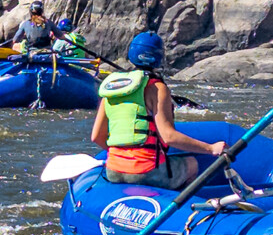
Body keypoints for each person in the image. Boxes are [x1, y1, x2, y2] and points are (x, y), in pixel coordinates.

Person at [90, 32, 226, 190]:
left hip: (113, 171)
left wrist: (125, 158)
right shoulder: (157, 88)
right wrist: (211, 148)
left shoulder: (112, 89)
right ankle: (175, 206)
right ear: (158, 57)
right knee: (192, 164)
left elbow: (96, 137)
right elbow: (169, 137)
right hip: (145, 172)